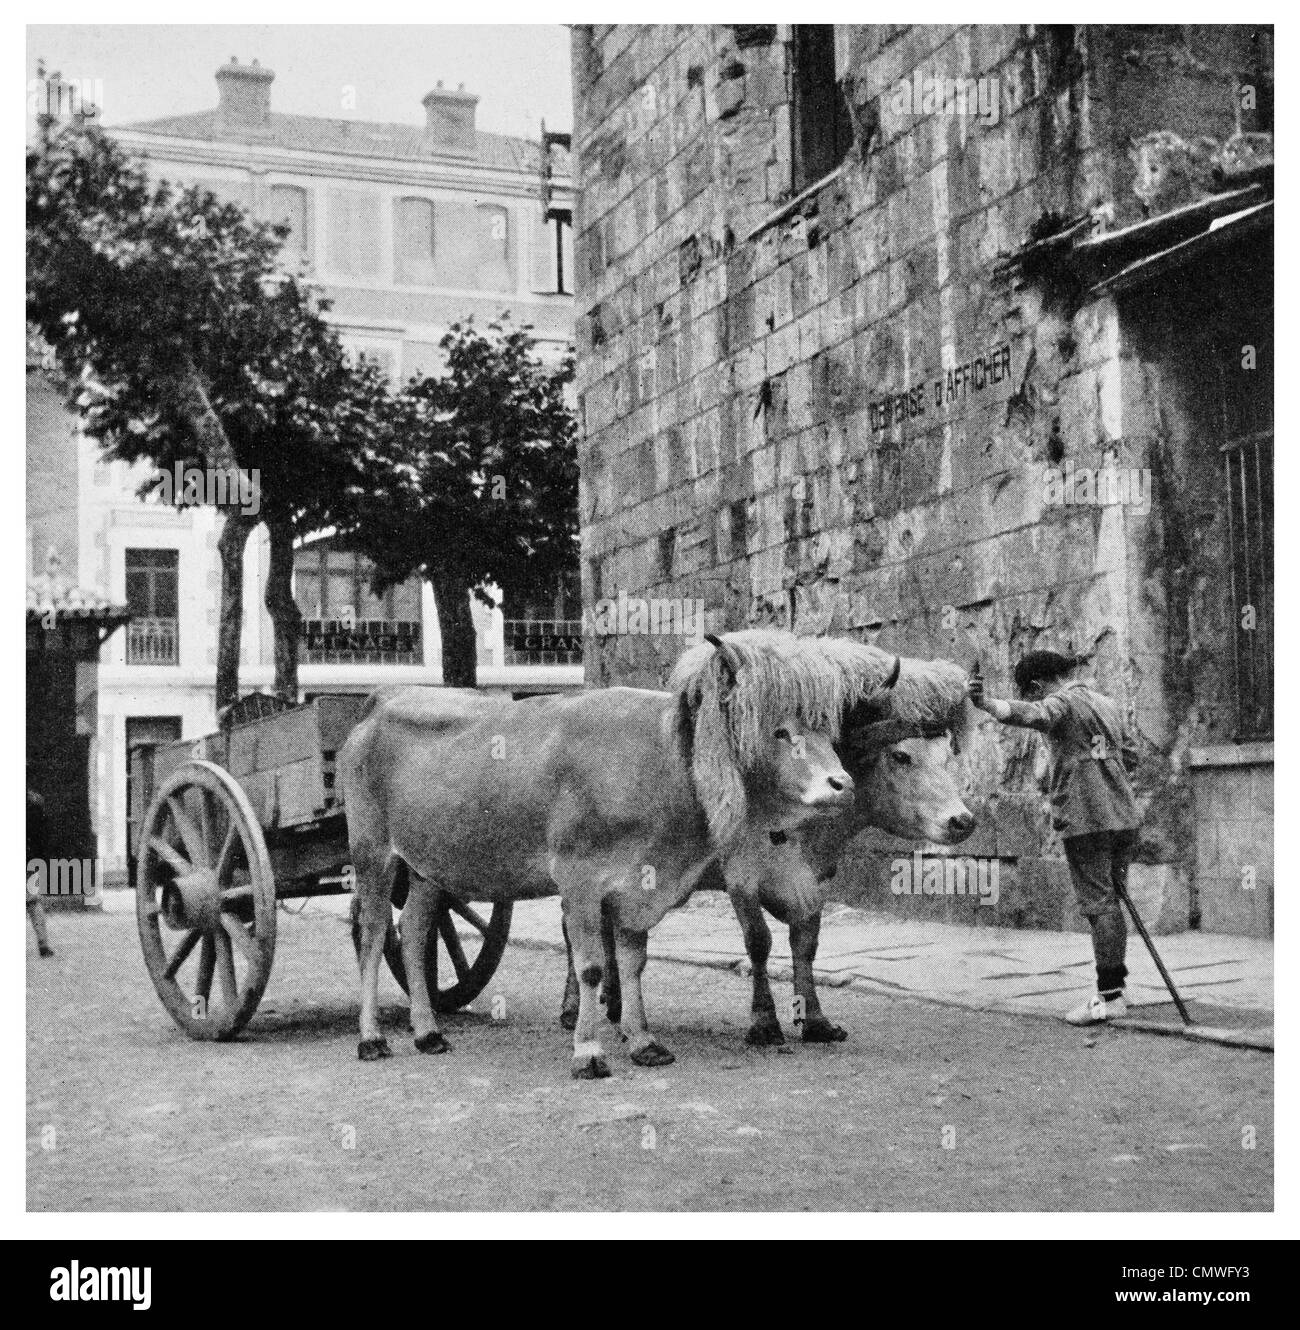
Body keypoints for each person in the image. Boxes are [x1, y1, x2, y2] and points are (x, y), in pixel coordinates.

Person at [969, 650, 1139, 1025]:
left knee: (1099, 906)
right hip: (1123, 815)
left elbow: (1036, 714)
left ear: (1036, 686)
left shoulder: (1059, 702)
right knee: (1111, 901)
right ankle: (1115, 987)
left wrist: (986, 703)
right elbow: (1132, 755)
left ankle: (1109, 997)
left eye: (1031, 693)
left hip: (1086, 818)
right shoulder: (1107, 704)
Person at [26, 786, 54, 958]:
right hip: (30, 859)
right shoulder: (35, 801)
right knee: (34, 902)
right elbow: (44, 835)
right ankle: (43, 943)